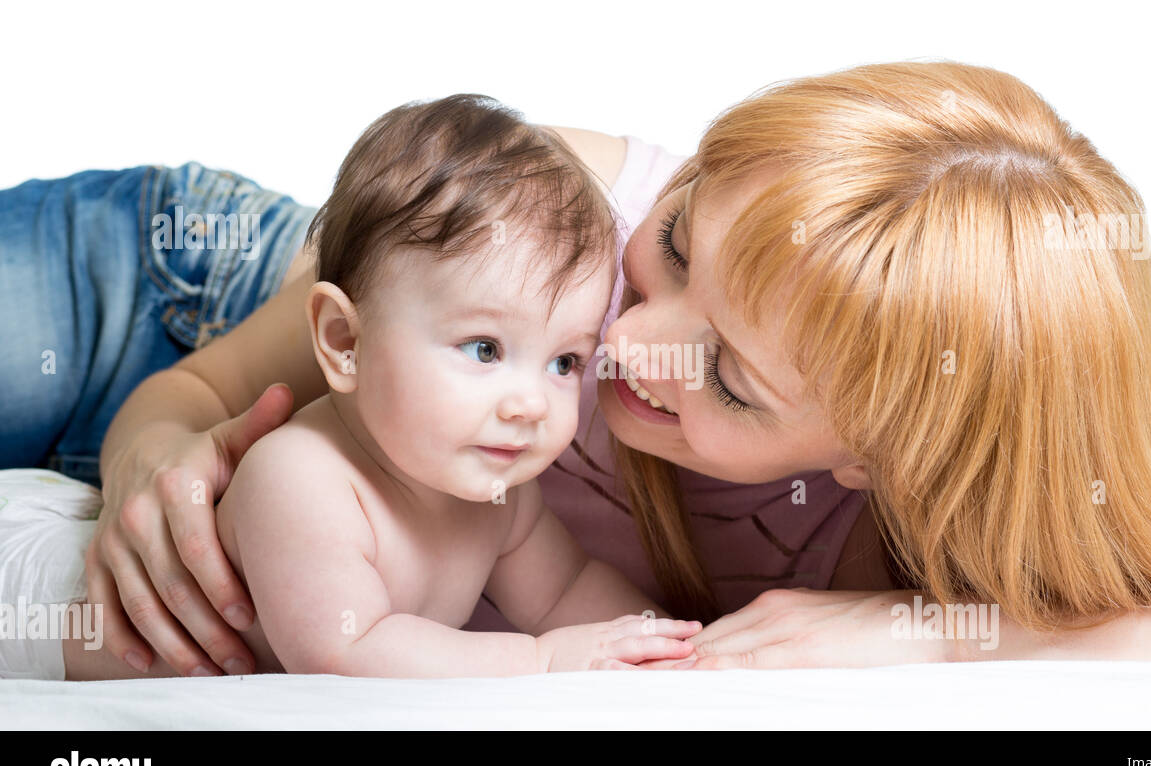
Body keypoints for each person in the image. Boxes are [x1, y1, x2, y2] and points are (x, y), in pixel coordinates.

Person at [4, 61, 1151, 679]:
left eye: (729, 379)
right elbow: (192, 392)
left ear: (874, 459)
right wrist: (149, 466)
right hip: (156, 283)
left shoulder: (874, 535)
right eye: (674, 243)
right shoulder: (567, 196)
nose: (624, 340)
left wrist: (911, 628)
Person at [46, 95, 699, 681]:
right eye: (485, 349)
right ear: (342, 342)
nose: (530, 403)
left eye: (564, 363)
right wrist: (543, 659)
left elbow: (567, 590)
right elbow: (348, 649)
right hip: (31, 595)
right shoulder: (302, 475)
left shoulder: (501, 497)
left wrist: (676, 649)